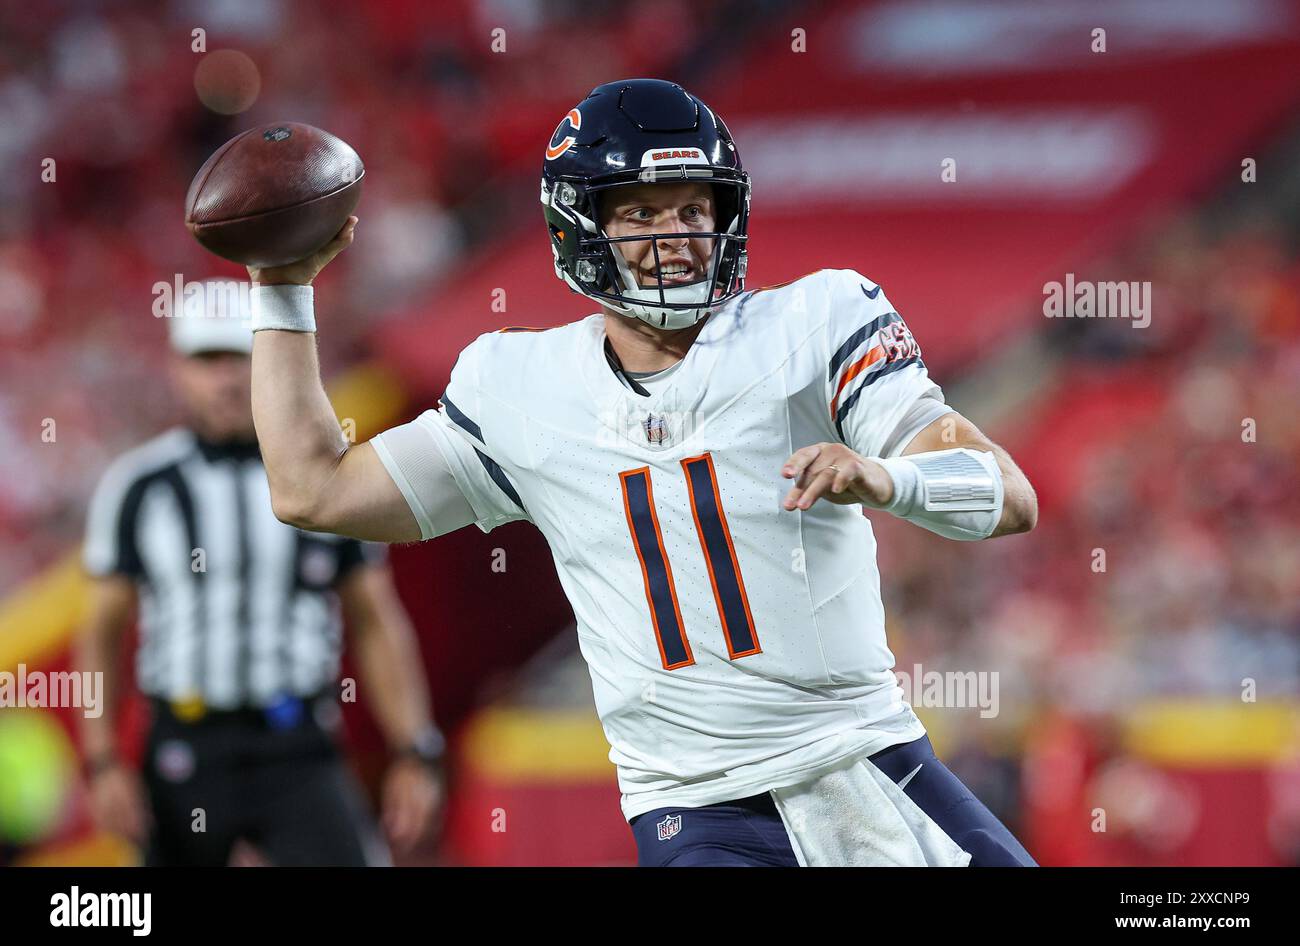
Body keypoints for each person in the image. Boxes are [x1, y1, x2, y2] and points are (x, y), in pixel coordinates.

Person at [245, 79, 1039, 866]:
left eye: (695, 208)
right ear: (579, 229)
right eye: (643, 214)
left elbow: (1008, 495)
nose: (679, 236)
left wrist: (887, 479)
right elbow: (315, 488)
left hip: (870, 762)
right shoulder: (520, 386)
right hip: (697, 809)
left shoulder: (817, 321)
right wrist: (282, 292)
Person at [77, 281, 444, 866]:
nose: (225, 378)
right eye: (207, 359)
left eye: (240, 357)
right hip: (184, 746)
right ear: (177, 368)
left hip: (296, 746)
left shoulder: (332, 481)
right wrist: (101, 762)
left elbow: (376, 622)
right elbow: (99, 635)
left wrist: (414, 749)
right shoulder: (140, 487)